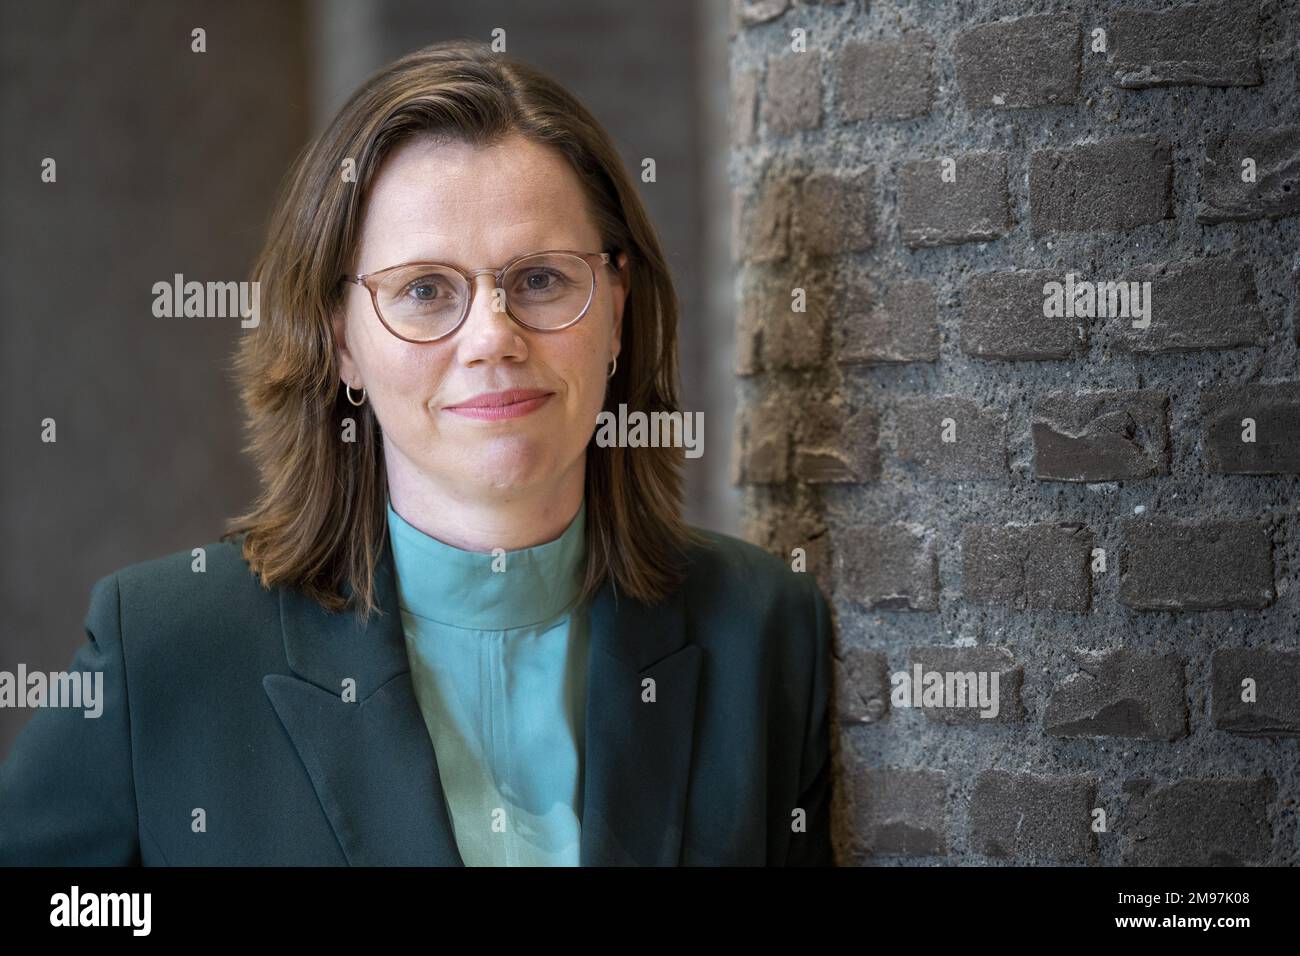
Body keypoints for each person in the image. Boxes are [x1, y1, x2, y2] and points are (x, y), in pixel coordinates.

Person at [0, 39, 833, 866]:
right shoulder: (163, 650)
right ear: (341, 344)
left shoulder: (762, 633)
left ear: (616, 308)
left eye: (540, 278)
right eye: (425, 291)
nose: (492, 338)